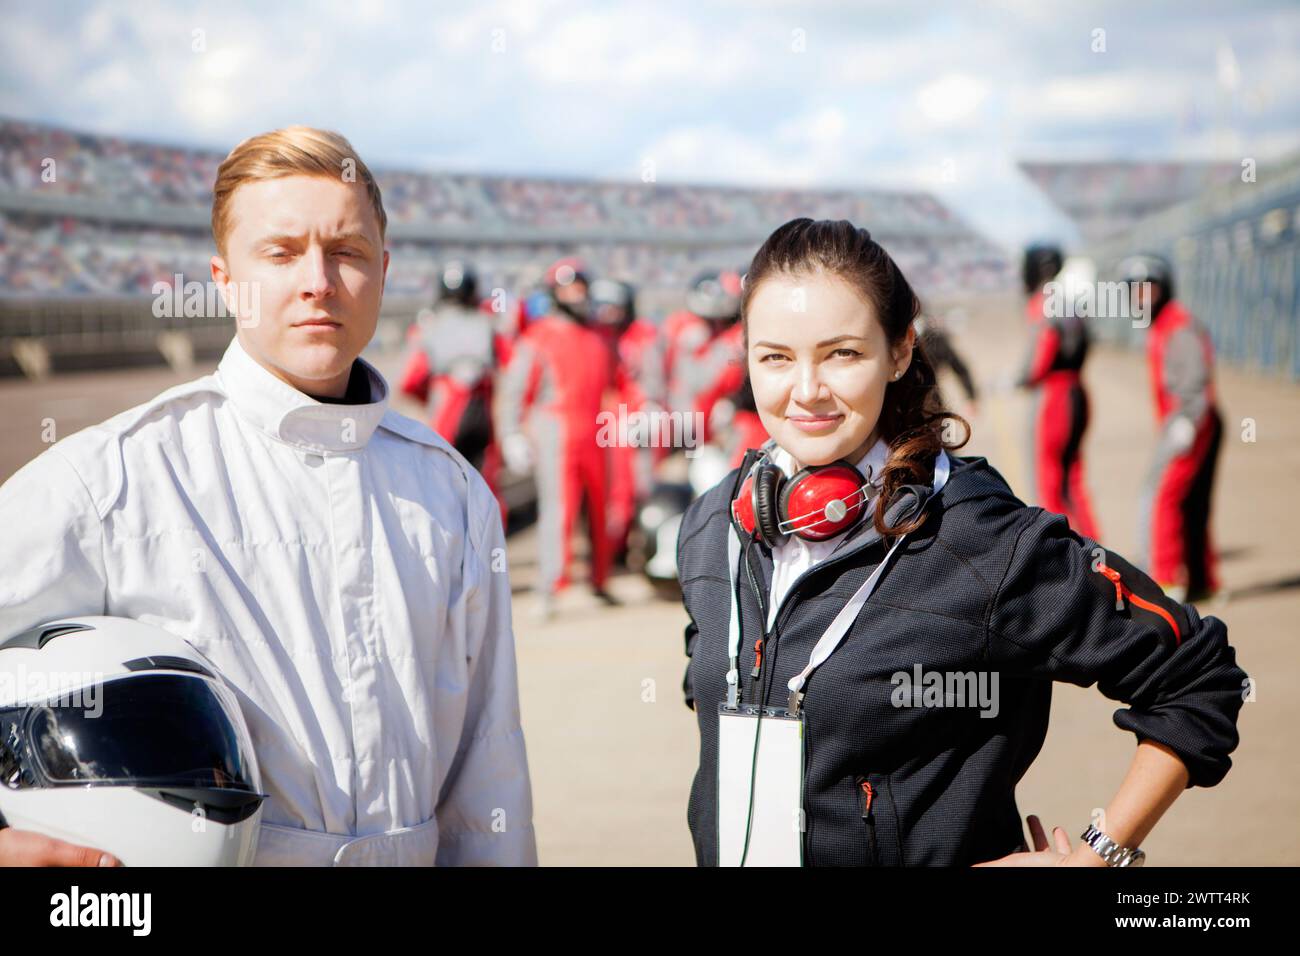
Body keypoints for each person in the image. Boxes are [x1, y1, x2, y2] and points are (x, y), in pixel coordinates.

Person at [0, 127, 536, 866]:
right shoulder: (113, 479)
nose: (318, 280)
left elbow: (489, 775)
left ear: (383, 270)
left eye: (345, 252)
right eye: (280, 254)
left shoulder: (453, 493)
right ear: (225, 279)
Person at [677, 218, 1246, 867]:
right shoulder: (712, 526)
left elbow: (1199, 676)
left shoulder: (982, 542)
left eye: (841, 353)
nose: (805, 389)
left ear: (898, 351)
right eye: (775, 356)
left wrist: (1100, 855)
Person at [495, 257, 619, 620]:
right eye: (569, 288)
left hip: (594, 429)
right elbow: (515, 390)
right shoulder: (540, 336)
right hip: (556, 429)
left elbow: (614, 383)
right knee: (558, 510)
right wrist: (511, 433)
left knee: (599, 508)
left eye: (580, 287)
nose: (577, 294)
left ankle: (598, 580)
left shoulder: (598, 336)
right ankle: (549, 587)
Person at [1119, 254, 1223, 603]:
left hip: (1189, 421)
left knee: (1162, 494)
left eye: (1147, 289)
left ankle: (1164, 580)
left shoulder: (1177, 325)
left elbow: (1195, 381)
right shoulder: (1162, 324)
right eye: (1135, 291)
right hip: (1184, 421)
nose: (1140, 298)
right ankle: (1202, 580)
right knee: (1192, 504)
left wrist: (1186, 423)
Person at [397, 260, 509, 525]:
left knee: (441, 482)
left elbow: (410, 380)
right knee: (486, 485)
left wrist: (430, 400)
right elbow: (510, 366)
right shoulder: (489, 325)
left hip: (447, 409)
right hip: (482, 411)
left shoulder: (428, 328)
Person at [1014, 243, 1100, 540]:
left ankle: (1061, 556)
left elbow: (1045, 345)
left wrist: (1024, 378)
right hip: (1078, 388)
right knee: (1073, 480)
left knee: (1048, 480)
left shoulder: (1043, 300)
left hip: (1054, 395)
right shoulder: (1068, 300)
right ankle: (1096, 553)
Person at [589, 277, 665, 563]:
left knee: (641, 484)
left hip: (636, 418)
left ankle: (641, 544)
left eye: (614, 307)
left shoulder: (642, 335)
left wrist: (650, 404)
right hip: (606, 419)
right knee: (610, 488)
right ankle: (612, 549)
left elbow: (653, 375)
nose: (608, 314)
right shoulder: (595, 334)